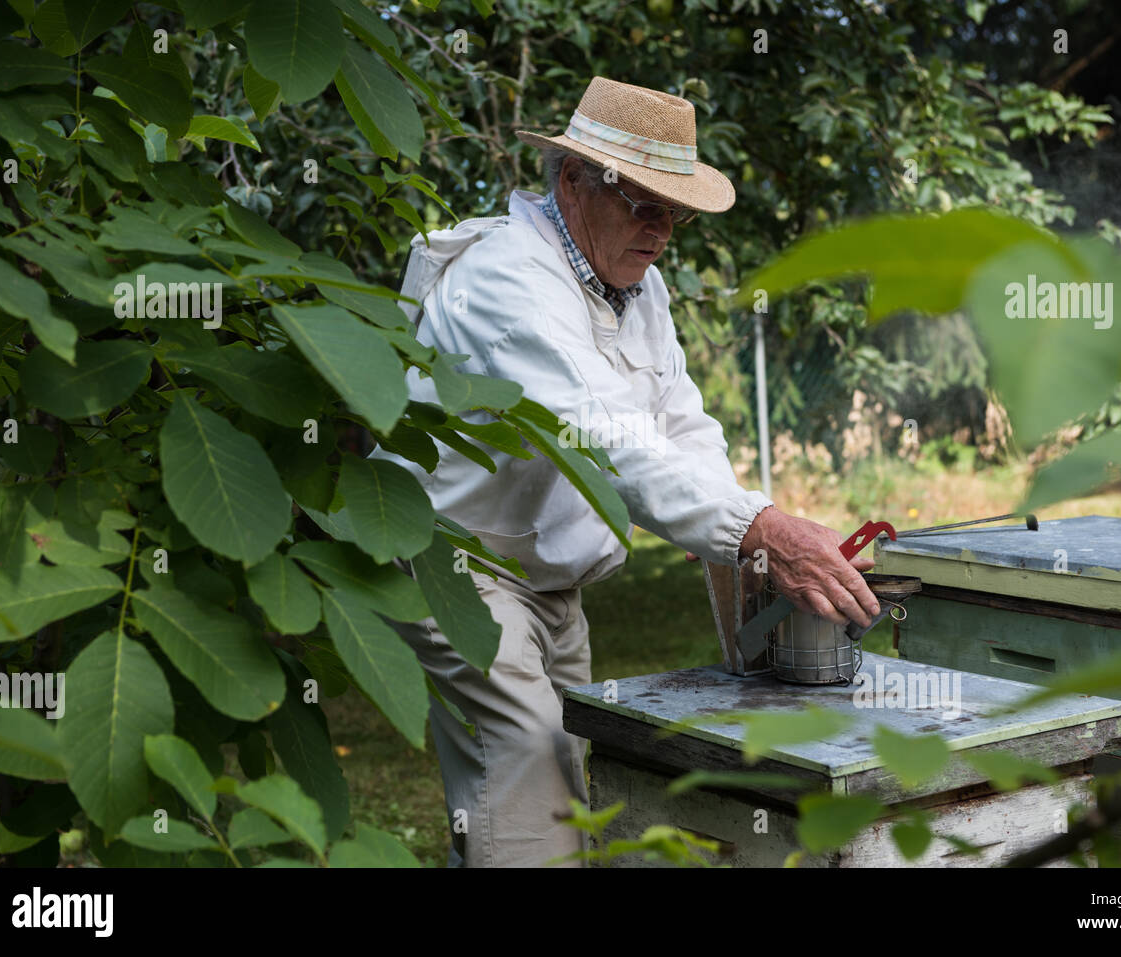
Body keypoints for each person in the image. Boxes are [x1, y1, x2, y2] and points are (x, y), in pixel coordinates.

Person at [370, 76, 880, 867]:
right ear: (573, 180)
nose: (662, 229)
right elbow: (603, 436)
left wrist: (729, 523)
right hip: (453, 561)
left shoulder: (635, 280)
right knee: (525, 772)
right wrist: (757, 529)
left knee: (571, 773)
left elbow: (678, 418)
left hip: (548, 575)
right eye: (643, 203)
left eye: (672, 212)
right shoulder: (509, 281)